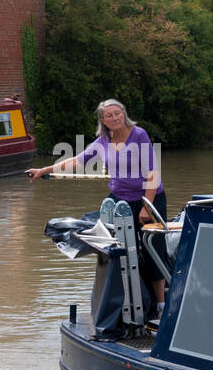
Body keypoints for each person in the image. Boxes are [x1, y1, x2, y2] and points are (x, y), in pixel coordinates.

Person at [27, 98, 167, 306]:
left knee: (152, 248)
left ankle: (160, 305)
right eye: (109, 115)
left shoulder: (139, 135)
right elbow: (77, 161)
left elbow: (153, 172)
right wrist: (44, 170)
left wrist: (147, 206)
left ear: (123, 113)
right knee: (115, 248)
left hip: (148, 197)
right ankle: (125, 300)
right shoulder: (103, 141)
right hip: (119, 200)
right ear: (103, 120)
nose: (114, 118)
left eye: (117, 113)